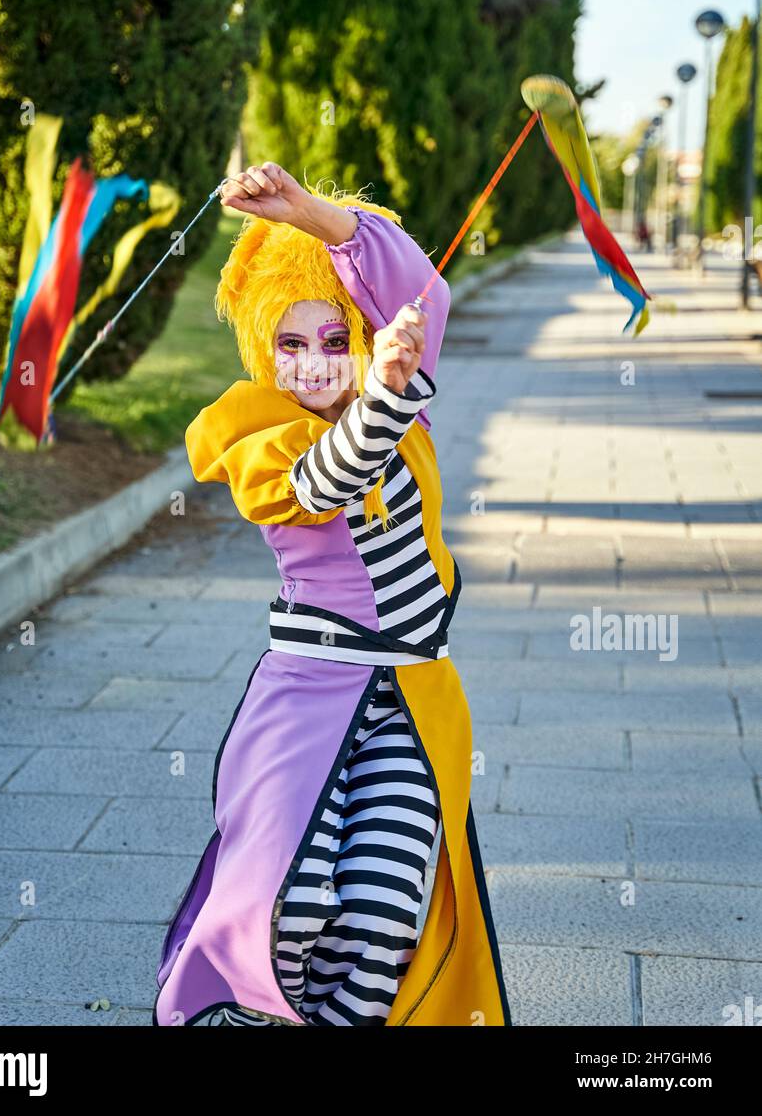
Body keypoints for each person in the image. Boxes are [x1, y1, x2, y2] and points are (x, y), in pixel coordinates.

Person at [152, 162, 512, 1027]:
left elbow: (417, 295)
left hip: (415, 703)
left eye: (334, 338)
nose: (313, 364)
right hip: (307, 699)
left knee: (386, 912)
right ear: (261, 351)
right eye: (290, 343)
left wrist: (314, 217)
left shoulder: (403, 408)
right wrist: (383, 393)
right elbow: (324, 480)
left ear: (363, 337)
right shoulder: (252, 433)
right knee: (293, 904)